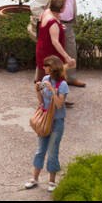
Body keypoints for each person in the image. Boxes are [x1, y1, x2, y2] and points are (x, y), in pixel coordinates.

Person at [30, 0, 85, 93]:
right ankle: (42, 82)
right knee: (50, 54)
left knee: (70, 50)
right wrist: (48, 19)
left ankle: (69, 78)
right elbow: (34, 6)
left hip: (67, 24)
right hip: (56, 26)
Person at [24, 57, 68, 193]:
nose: (43, 68)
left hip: (57, 122)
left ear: (53, 67)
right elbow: (42, 101)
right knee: (40, 149)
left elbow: (59, 105)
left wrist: (53, 90)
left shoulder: (62, 84)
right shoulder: (45, 79)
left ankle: (52, 181)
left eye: (46, 65)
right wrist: (38, 90)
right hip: (44, 121)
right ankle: (35, 178)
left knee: (53, 152)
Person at [34, 0, 74, 82]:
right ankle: (51, 94)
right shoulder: (53, 22)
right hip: (50, 54)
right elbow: (55, 42)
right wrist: (67, 57)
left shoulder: (47, 11)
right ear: (61, 9)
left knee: (43, 79)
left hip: (42, 50)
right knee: (50, 80)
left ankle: (44, 94)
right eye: (64, 5)